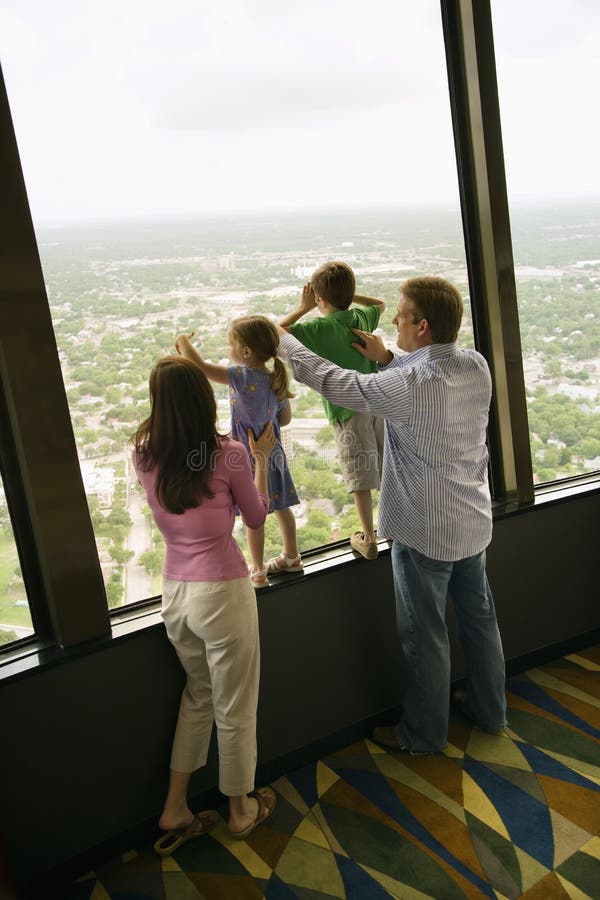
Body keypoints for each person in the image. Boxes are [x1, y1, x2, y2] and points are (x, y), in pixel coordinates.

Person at [277, 275, 507, 754]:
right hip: (471, 521)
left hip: (424, 531)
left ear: (421, 326)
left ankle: (423, 735)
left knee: (426, 637)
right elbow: (421, 375)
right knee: (480, 621)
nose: (393, 322)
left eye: (401, 316)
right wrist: (386, 356)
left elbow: (339, 382)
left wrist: (282, 342)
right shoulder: (475, 365)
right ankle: (491, 712)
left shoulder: (407, 384)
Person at [132, 355, 277, 855]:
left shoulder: (144, 454)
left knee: (198, 694)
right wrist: (260, 460)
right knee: (235, 705)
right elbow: (257, 517)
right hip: (222, 590)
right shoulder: (229, 453)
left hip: (175, 593)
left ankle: (175, 807)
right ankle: (241, 809)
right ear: (202, 397)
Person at [176, 315, 301, 588]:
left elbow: (200, 367)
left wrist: (184, 342)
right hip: (273, 452)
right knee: (281, 507)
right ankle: (292, 557)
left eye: (230, 344)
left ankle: (257, 569)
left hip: (244, 457)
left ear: (246, 351)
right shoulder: (276, 379)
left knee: (252, 516)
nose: (228, 350)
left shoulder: (240, 377)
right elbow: (286, 419)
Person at [279, 261, 385, 560]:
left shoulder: (319, 328)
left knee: (359, 476)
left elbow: (275, 333)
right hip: (377, 403)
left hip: (346, 410)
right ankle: (393, 522)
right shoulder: (362, 317)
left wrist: (303, 307)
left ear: (319, 300)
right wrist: (350, 297)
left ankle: (368, 535)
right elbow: (380, 303)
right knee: (386, 464)